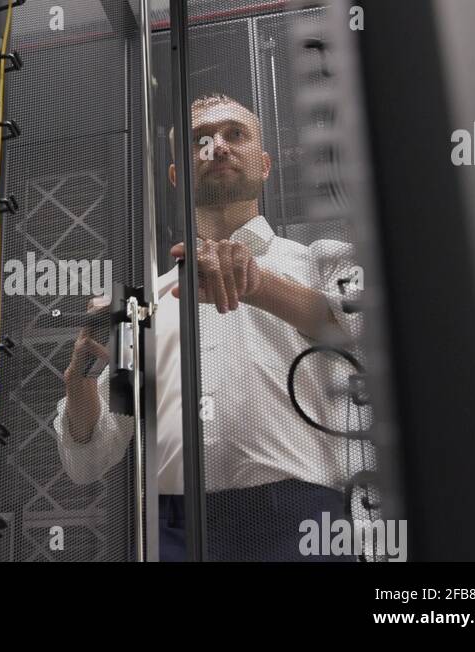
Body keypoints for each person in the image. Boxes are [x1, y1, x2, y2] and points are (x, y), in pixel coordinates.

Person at [52, 94, 363, 561]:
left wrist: (256, 284)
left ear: (263, 165)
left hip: (302, 514)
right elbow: (89, 460)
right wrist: (78, 387)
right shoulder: (138, 305)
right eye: (201, 140)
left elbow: (356, 333)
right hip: (174, 524)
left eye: (234, 135)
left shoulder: (323, 260)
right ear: (176, 178)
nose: (217, 148)